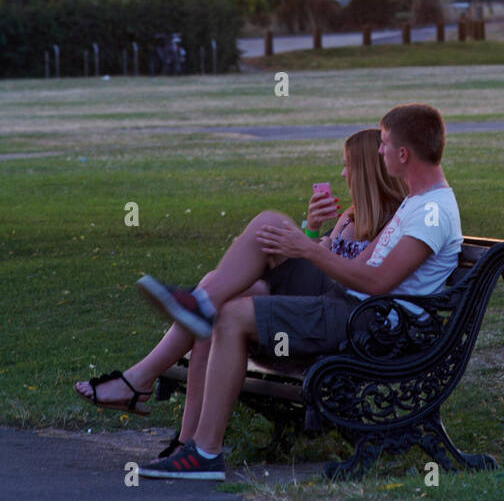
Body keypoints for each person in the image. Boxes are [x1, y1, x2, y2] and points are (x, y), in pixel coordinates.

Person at [135, 102, 461, 479]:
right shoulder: (416, 202)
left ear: (403, 154)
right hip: (350, 304)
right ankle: (199, 309)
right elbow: (362, 268)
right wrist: (308, 241)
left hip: (368, 324)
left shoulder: (433, 213)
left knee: (232, 316)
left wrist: (306, 250)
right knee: (260, 244)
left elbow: (377, 283)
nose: (380, 150)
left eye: (385, 143)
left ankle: (205, 452)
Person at [74, 128, 406, 456]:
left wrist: (304, 244)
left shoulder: (393, 222)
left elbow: (351, 274)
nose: (343, 172)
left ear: (367, 170)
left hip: (341, 313)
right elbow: (320, 254)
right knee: (216, 296)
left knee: (266, 227)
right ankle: (186, 436)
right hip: (320, 298)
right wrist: (311, 229)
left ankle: (141, 380)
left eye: (349, 164)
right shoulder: (349, 218)